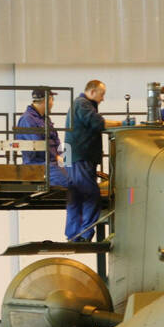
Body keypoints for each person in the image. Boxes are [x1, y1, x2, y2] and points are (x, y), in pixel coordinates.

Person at [64, 79, 124, 242]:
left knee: (75, 196)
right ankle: (84, 233)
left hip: (75, 157)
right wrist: (121, 123)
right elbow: (97, 122)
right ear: (92, 91)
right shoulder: (82, 104)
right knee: (91, 194)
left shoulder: (79, 104)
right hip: (80, 157)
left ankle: (74, 234)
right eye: (102, 94)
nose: (103, 98)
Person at [16, 88, 68, 187]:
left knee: (78, 175)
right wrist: (57, 157)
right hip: (38, 164)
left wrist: (62, 156)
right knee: (71, 182)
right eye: (52, 100)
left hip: (52, 162)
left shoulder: (45, 119)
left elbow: (56, 140)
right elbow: (38, 146)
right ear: (47, 100)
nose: (53, 103)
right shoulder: (27, 119)